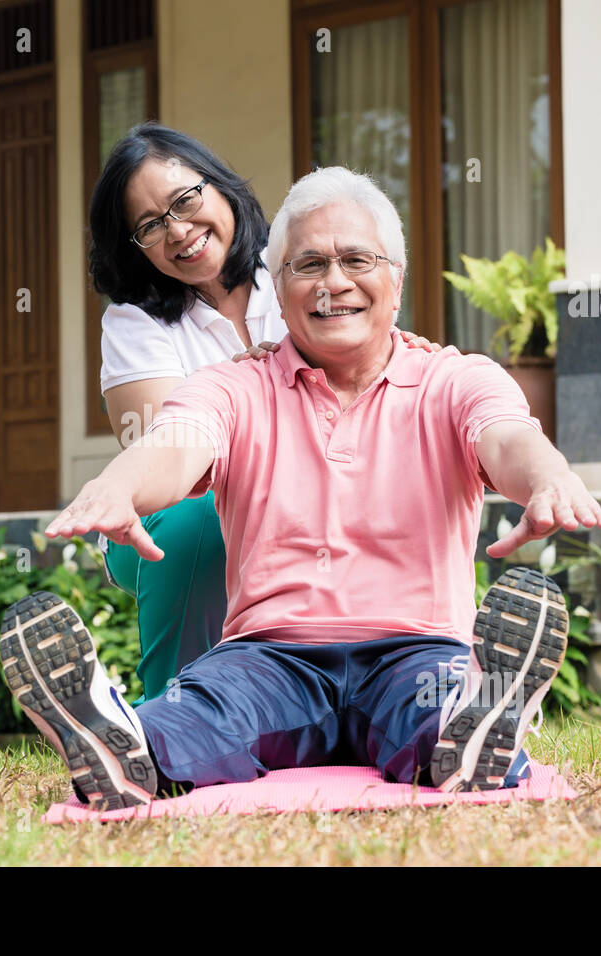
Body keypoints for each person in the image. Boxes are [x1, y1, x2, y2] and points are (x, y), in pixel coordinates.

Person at [1, 166, 601, 808]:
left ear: (395, 280)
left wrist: (549, 476)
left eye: (356, 260)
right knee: (203, 712)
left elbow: (508, 437)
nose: (334, 282)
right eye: (308, 264)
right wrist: (119, 488)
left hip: (417, 649)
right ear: (279, 284)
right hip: (270, 657)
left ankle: (481, 720)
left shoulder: (454, 379)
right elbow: (173, 446)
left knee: (438, 711)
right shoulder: (235, 386)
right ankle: (120, 740)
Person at [89, 123, 435, 703]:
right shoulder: (134, 322)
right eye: (149, 226)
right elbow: (169, 456)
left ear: (218, 187)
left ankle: (417, 691)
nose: (179, 230)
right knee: (199, 517)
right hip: (175, 519)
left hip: (329, 488)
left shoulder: (297, 267)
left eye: (185, 201)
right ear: (135, 246)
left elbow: (365, 376)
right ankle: (168, 713)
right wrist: (254, 380)